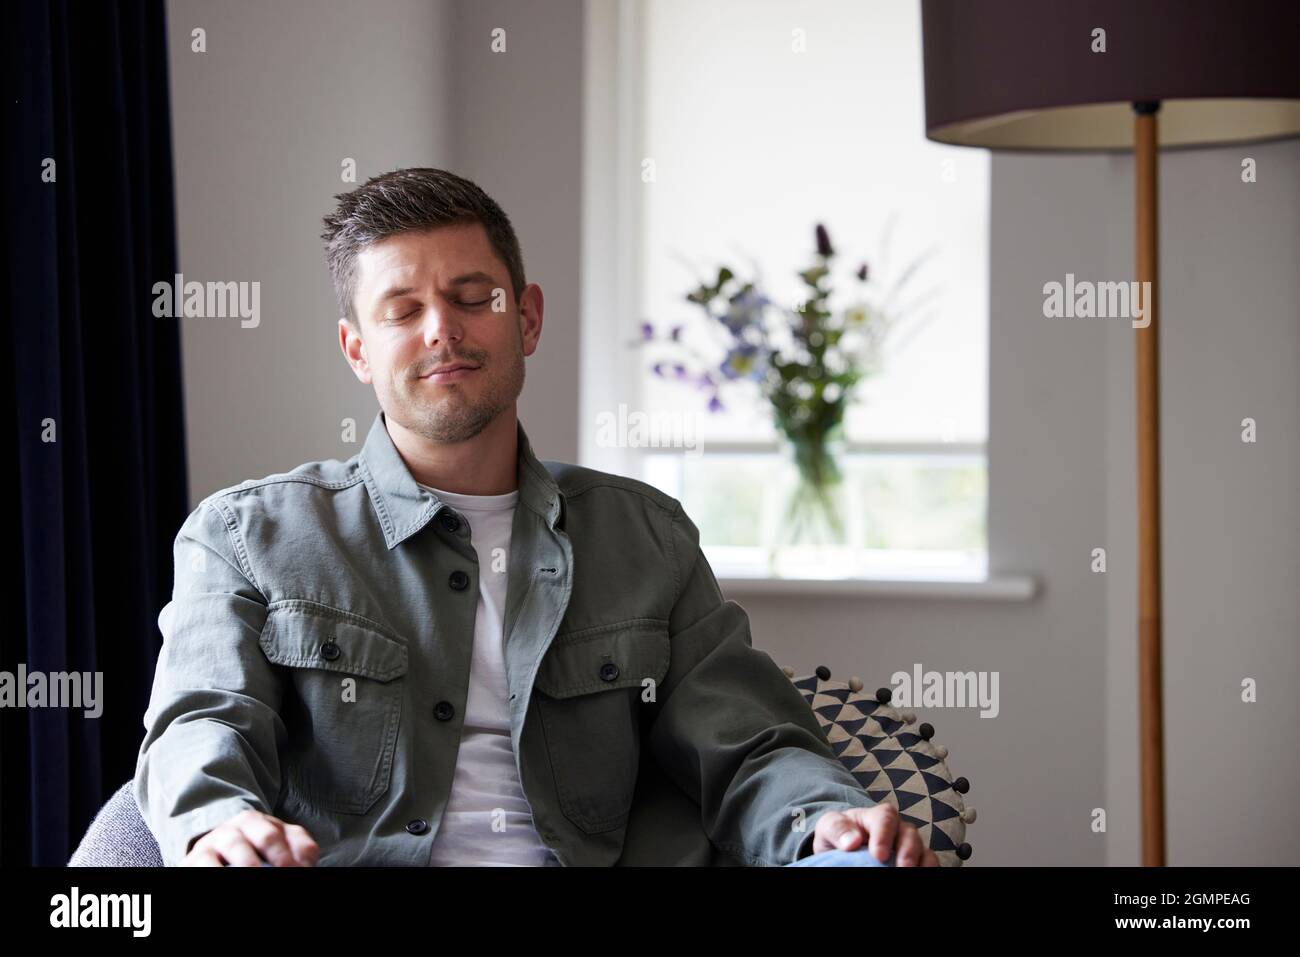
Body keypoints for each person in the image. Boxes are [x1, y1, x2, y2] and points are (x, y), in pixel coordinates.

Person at [134, 167, 939, 869]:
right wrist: (220, 824)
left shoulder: (646, 538)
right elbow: (202, 719)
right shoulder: (247, 538)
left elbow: (749, 743)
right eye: (401, 309)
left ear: (525, 318)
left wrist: (823, 822)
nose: (440, 328)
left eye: (468, 297)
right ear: (356, 350)